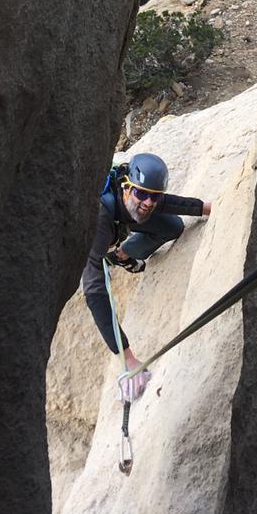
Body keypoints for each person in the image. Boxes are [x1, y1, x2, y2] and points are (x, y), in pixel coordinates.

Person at [82, 152, 211, 399]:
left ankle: (121, 255)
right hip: (102, 232)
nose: (149, 202)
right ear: (126, 187)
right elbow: (94, 291)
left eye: (154, 196)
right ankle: (110, 256)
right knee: (99, 265)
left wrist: (206, 208)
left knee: (172, 226)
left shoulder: (139, 196)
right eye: (142, 193)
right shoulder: (101, 218)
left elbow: (168, 203)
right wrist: (127, 357)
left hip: (123, 220)